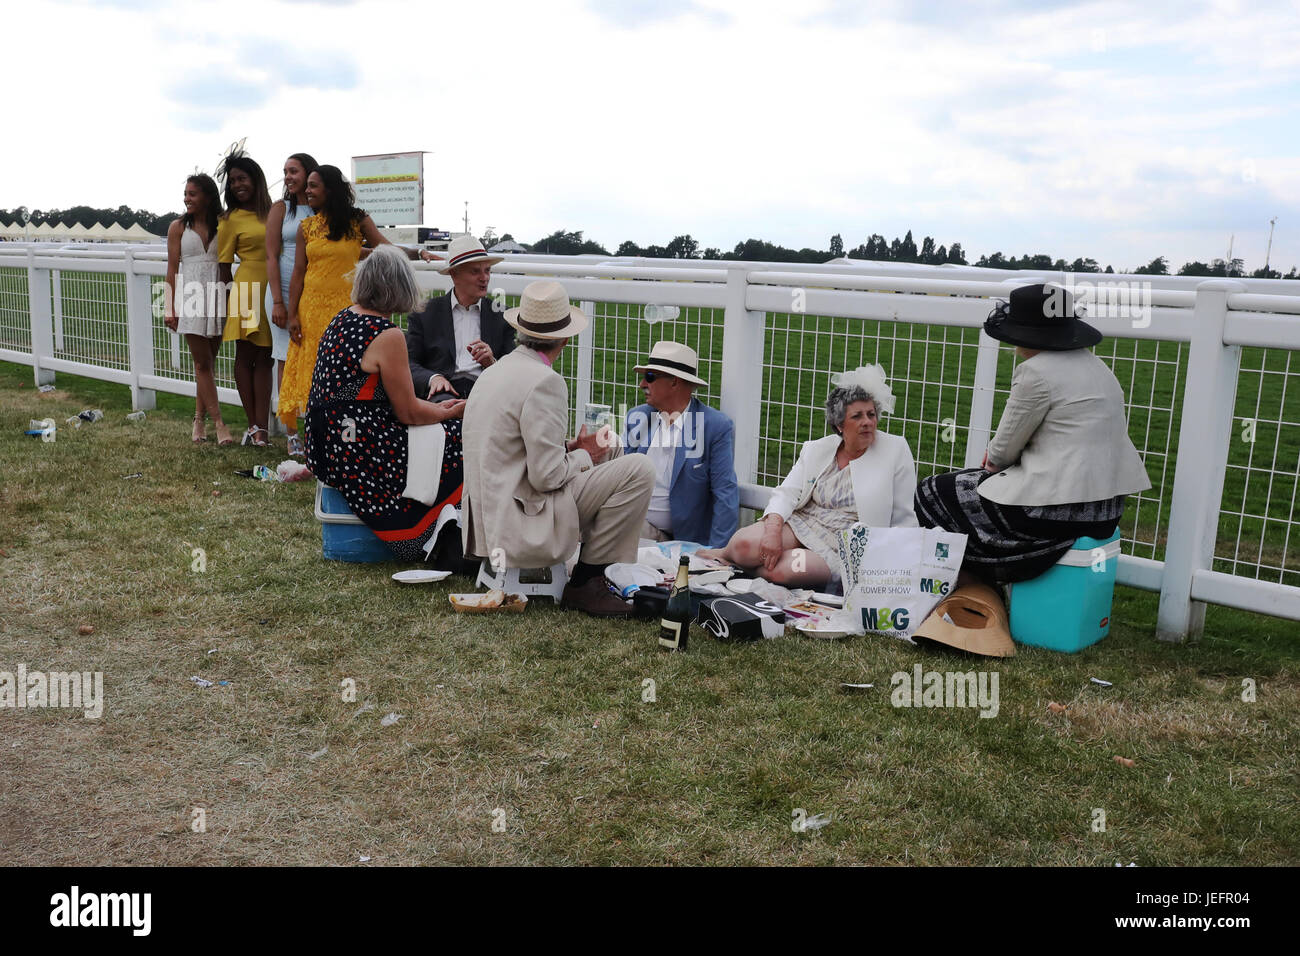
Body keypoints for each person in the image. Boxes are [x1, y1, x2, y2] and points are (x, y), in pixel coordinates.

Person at [914, 283, 1151, 585]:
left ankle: (967, 583)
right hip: (1106, 511)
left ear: (1025, 335)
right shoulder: (1099, 367)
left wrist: (994, 464)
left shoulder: (1035, 372)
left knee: (931, 492)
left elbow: (1000, 454)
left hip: (1049, 513)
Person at [461, 280, 656, 617]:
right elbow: (546, 477)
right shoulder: (545, 380)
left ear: (521, 330)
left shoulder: (494, 372)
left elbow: (508, 448)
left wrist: (571, 448)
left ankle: (591, 570)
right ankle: (587, 580)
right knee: (639, 468)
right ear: (565, 338)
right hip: (521, 524)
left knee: (609, 452)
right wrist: (586, 454)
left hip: (488, 521)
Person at [303, 245, 466, 560]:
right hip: (357, 449)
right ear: (401, 287)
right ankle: (428, 533)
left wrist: (436, 412)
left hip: (327, 445)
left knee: (442, 426)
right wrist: (451, 411)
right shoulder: (387, 334)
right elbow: (408, 412)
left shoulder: (343, 318)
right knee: (460, 437)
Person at [701, 365, 917, 590]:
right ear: (839, 424)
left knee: (785, 571)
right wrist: (773, 532)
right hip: (803, 522)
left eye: (871, 414)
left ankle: (735, 568)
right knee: (744, 545)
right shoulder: (817, 449)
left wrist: (899, 567)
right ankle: (729, 557)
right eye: (857, 416)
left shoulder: (895, 450)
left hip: (843, 544)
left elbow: (904, 517)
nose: (868, 422)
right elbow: (787, 493)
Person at [277, 165, 435, 435]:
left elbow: (385, 248)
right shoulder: (307, 227)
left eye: (313, 186)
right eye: (308, 186)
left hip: (347, 309)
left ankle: (342, 428)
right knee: (313, 369)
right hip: (312, 308)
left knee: (346, 370)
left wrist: (419, 251)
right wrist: (292, 315)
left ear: (330, 189)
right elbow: (298, 273)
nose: (307, 191)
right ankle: (307, 433)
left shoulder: (357, 220)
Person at [622, 341, 738, 547]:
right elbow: (622, 478)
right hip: (635, 522)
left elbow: (725, 494)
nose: (642, 384)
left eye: (649, 377)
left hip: (683, 542)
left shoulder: (714, 426)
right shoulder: (637, 417)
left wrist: (716, 555)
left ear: (674, 382)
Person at [164, 173, 234, 446]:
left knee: (207, 365)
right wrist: (170, 308)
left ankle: (198, 421)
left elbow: (227, 265)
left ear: (207, 195)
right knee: (202, 363)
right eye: (185, 194)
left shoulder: (223, 224)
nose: (186, 198)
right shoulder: (178, 227)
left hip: (218, 297)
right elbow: (172, 269)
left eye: (192, 193)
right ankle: (220, 424)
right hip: (191, 299)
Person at [405, 236, 514, 400]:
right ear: (454, 275)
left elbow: (514, 369)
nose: (484, 278)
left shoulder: (502, 316)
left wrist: (492, 363)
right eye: (475, 271)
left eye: (487, 270)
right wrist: (433, 379)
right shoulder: (424, 313)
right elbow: (408, 363)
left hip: (487, 392)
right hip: (442, 393)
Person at [216, 152, 274, 446]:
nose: (238, 184)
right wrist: (229, 302)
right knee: (246, 356)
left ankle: (263, 427)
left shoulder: (276, 211)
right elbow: (224, 265)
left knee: (266, 358)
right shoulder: (229, 219)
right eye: (233, 180)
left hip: (274, 289)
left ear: (256, 180)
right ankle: (254, 426)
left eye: (243, 178)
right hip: (247, 291)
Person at [264, 152, 318, 457]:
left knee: (313, 360)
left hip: (313, 295)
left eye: (293, 170)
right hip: (282, 293)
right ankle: (291, 432)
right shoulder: (281, 209)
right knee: (285, 359)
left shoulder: (322, 209)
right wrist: (279, 301)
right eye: (285, 171)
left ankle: (314, 425)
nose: (288, 176)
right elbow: (271, 255)